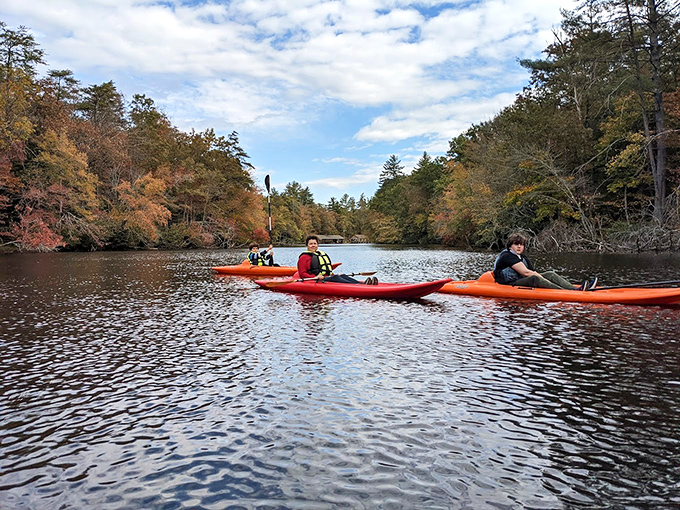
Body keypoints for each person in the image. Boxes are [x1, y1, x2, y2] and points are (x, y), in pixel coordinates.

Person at [493, 233, 597, 290]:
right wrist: (542, 279)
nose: (519, 246)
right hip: (508, 284)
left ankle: (573, 288)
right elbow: (526, 273)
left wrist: (546, 278)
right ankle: (568, 292)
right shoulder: (507, 256)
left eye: (521, 244)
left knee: (550, 274)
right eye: (516, 244)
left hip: (519, 280)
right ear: (511, 246)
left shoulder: (523, 257)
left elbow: (532, 270)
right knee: (535, 279)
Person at [297, 235, 377, 284]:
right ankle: (359, 286)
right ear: (307, 245)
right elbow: (302, 274)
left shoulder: (319, 255)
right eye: (311, 244)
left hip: (325, 278)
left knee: (342, 276)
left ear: (318, 245)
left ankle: (361, 284)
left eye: (315, 244)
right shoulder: (303, 257)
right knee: (336, 278)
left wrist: (332, 274)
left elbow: (324, 269)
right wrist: (316, 277)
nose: (313, 245)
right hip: (315, 280)